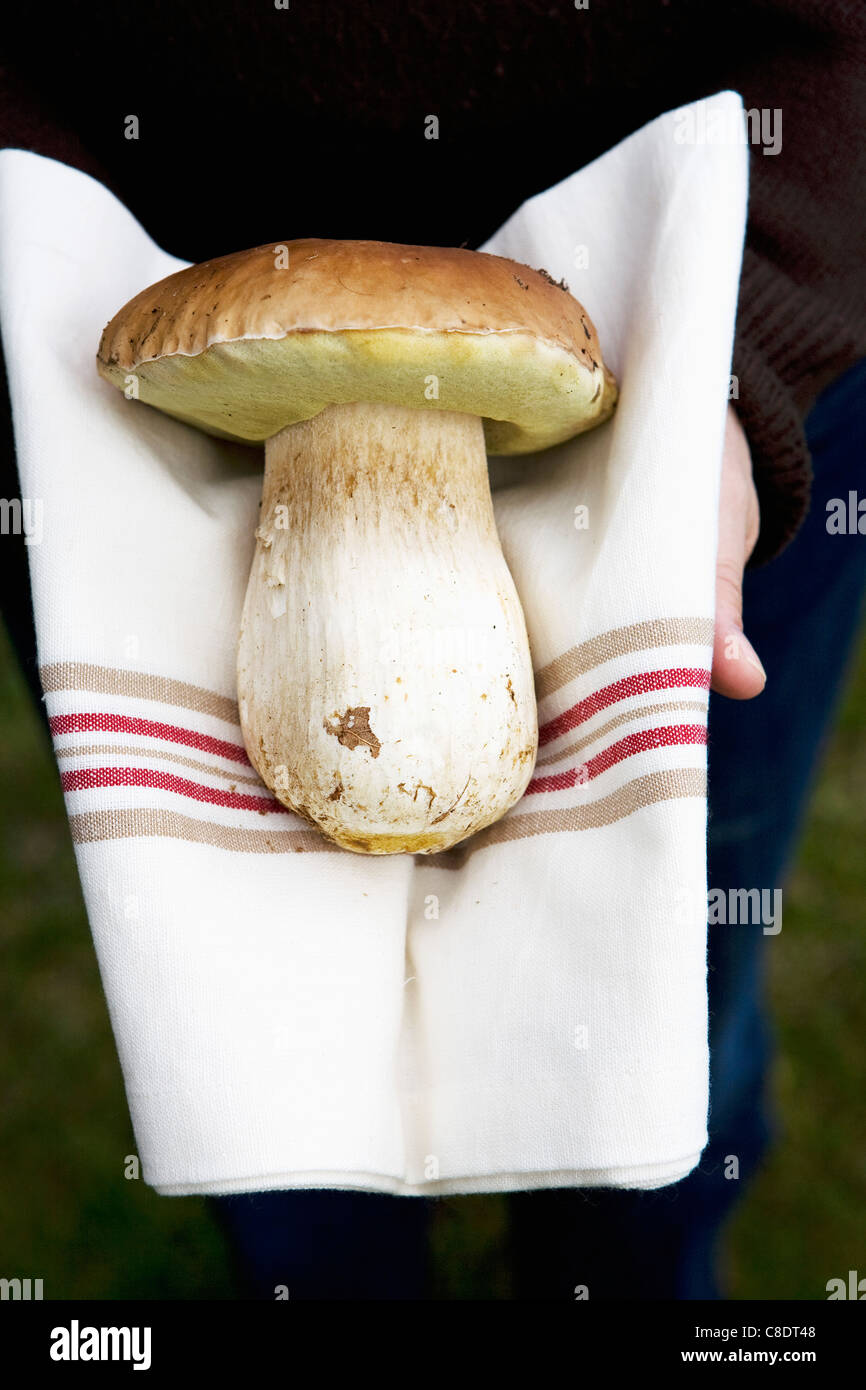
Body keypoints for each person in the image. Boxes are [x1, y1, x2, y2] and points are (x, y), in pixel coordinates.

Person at [1, 1, 864, 1299]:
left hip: (747, 311)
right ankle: (319, 1261)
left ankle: (632, 1250)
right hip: (106, 342)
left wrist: (737, 372)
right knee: (244, 999)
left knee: (676, 948)